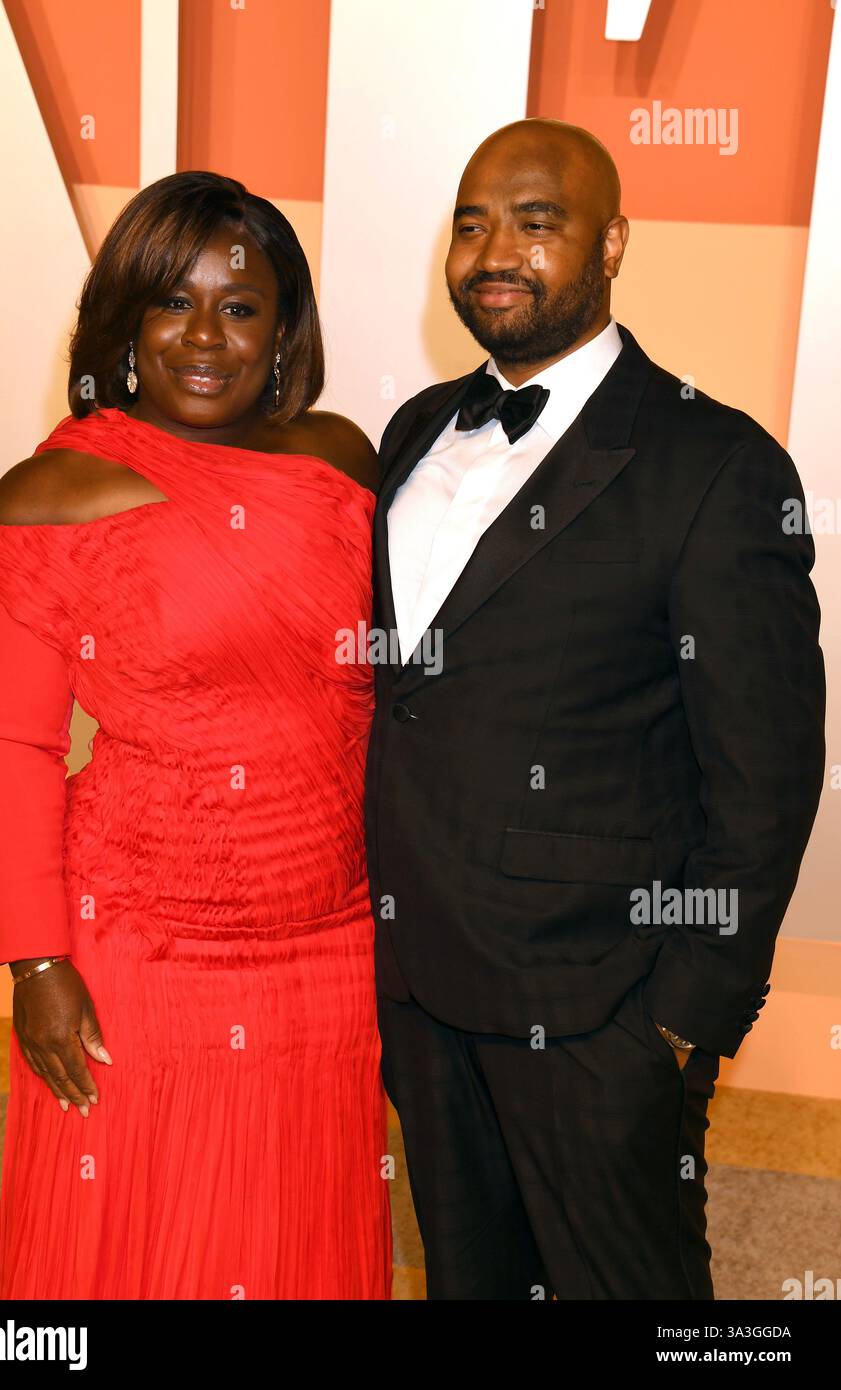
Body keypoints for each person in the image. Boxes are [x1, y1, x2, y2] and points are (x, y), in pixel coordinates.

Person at [365, 118, 825, 1300]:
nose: (493, 251)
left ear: (611, 241)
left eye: (536, 219)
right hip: (420, 992)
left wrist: (682, 1022)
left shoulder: (712, 462)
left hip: (600, 1009)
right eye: (470, 223)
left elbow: (765, 777)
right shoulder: (414, 431)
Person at [0, 171, 392, 1300]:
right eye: (172, 303)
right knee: (129, 1248)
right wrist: (38, 960)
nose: (206, 337)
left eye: (240, 307)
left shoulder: (340, 464)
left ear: (283, 328)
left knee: (291, 1237)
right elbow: (10, 749)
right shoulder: (48, 492)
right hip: (136, 954)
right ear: (125, 323)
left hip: (330, 948)